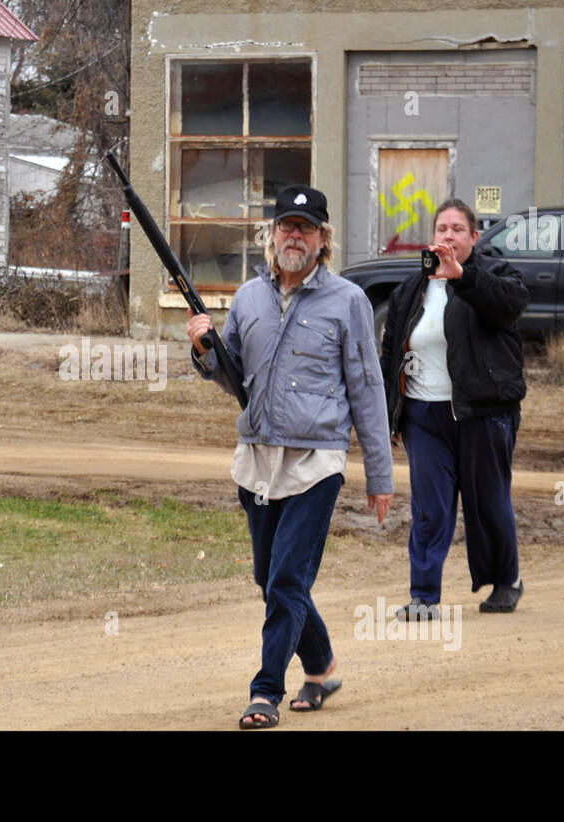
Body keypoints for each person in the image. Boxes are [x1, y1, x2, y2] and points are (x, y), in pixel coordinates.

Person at [188, 185, 394, 730]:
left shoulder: (348, 300)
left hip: (316, 463)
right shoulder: (248, 298)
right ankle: (322, 667)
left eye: (306, 227)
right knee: (271, 577)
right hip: (256, 458)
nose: (294, 235)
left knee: (284, 582)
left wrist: (380, 475)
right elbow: (229, 378)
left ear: (323, 239)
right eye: (286, 225)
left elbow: (368, 391)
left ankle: (265, 693)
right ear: (272, 234)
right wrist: (204, 348)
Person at [379, 199, 529, 621]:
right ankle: (424, 595)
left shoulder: (496, 277)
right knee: (431, 507)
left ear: (474, 238)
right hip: (425, 417)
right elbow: (392, 353)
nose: (448, 235)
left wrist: (462, 277)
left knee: (489, 502)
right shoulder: (411, 289)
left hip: (483, 413)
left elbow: (508, 307)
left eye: (458, 229)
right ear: (433, 237)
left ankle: (506, 581)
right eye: (442, 228)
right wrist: (392, 413)